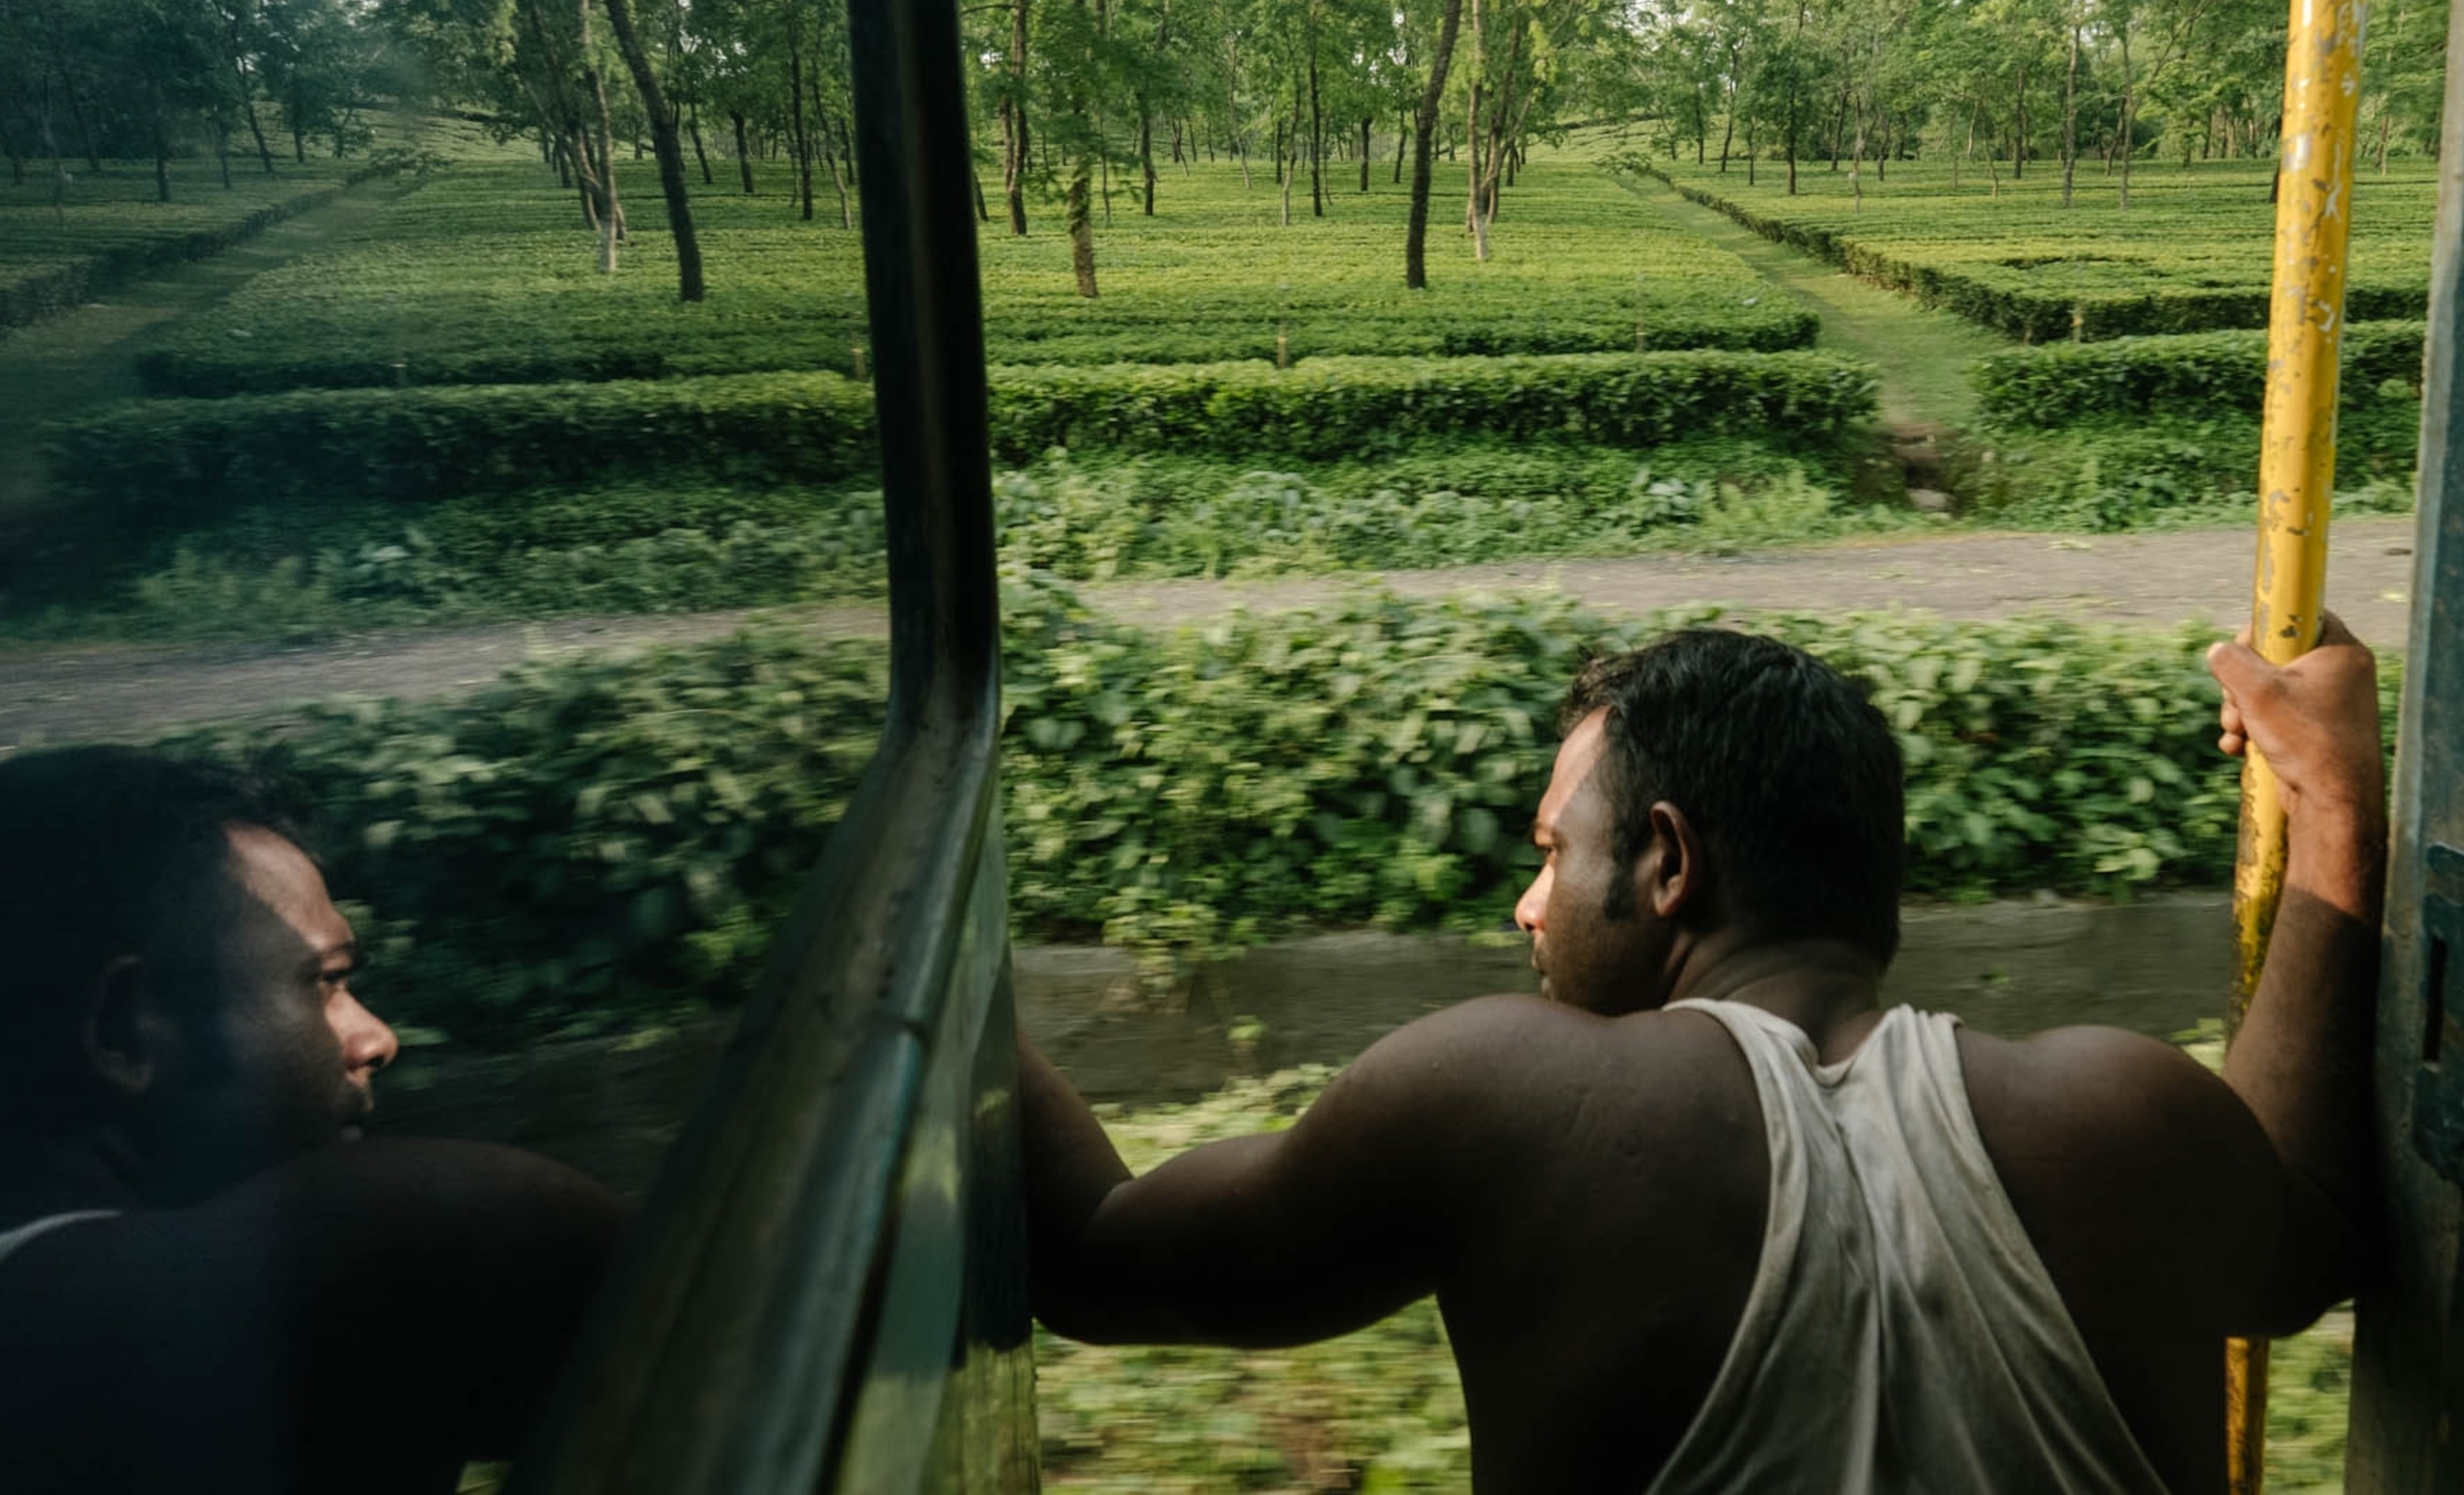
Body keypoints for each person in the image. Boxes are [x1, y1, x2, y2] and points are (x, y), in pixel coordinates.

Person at [1018, 618, 2388, 1493]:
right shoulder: (2127, 1115)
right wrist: (2334, 803)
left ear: (1667, 862)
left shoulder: (1504, 1097)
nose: (1529, 904)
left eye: (1558, 851)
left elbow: (1093, 1250)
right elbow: (2309, 1238)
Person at [0, 747, 628, 1493]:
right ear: (123, 1032)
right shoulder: (412, 1247)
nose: (376, 1039)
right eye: (326, 982)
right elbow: (493, 1233)